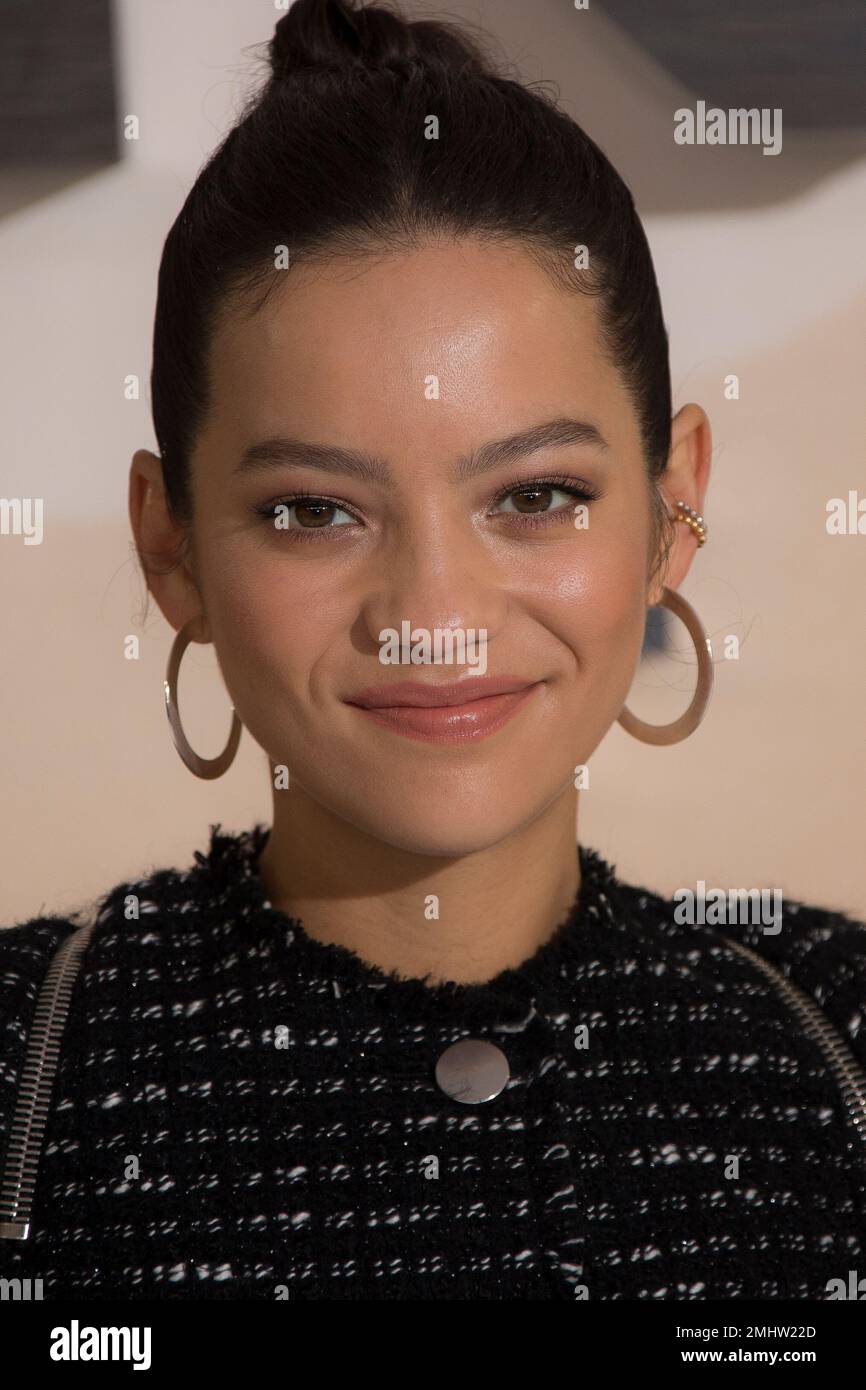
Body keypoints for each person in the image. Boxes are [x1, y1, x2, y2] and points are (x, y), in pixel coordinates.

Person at [1, 0, 864, 1301]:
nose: (429, 606)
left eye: (534, 494)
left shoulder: (835, 1035)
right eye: (313, 510)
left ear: (671, 504)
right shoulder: (23, 1062)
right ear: (170, 545)